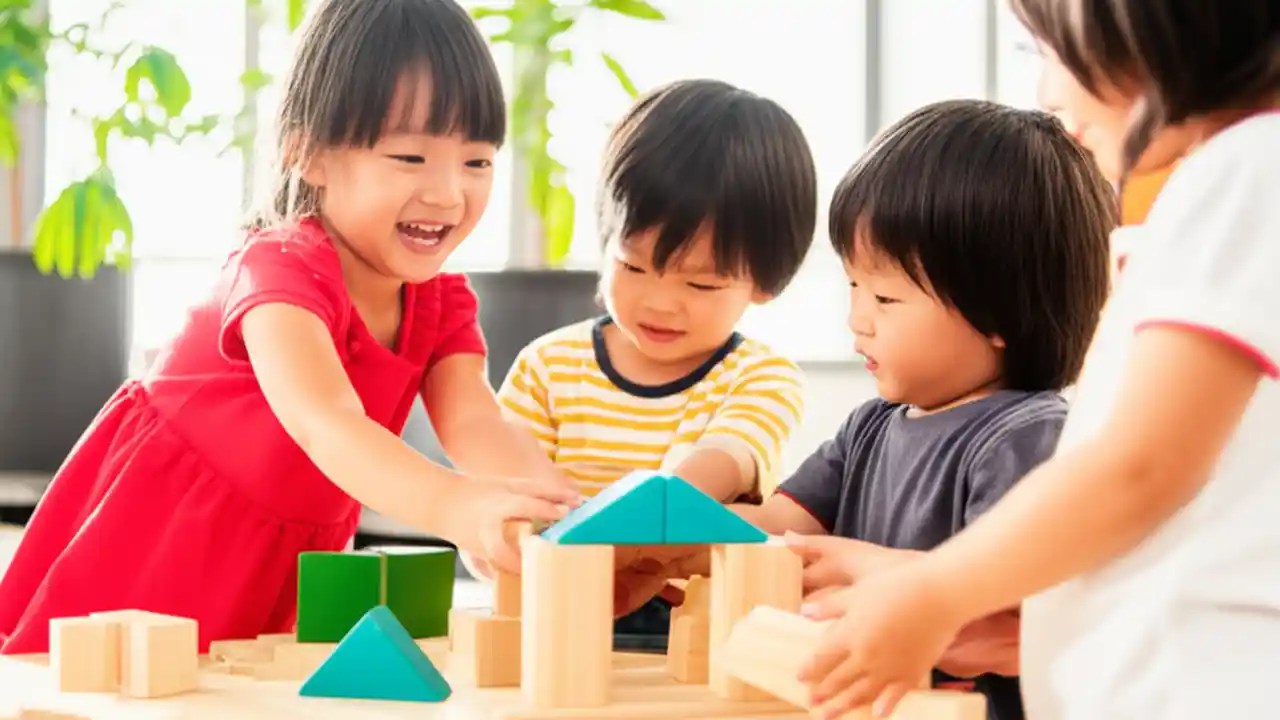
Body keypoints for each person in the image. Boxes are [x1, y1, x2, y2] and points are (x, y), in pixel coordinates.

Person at [0, 0, 580, 655]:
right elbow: (324, 420)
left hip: (281, 558)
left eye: (477, 162)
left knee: (256, 689)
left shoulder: (439, 299)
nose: (449, 193)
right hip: (163, 540)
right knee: (123, 685)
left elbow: (477, 422)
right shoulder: (279, 268)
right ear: (309, 153)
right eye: (410, 158)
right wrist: (456, 509)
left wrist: (561, 513)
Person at [797, 4, 1280, 719]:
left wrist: (934, 594)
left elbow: (1142, 466)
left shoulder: (1246, 166)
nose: (1048, 91)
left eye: (1052, 49)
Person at [619, 99, 1114, 718]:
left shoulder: (1026, 437)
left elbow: (1019, 603)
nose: (857, 318)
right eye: (853, 285)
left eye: (885, 295)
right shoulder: (870, 427)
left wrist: (860, 566)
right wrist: (669, 547)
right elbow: (776, 527)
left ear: (998, 314)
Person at [495, 79, 817, 648]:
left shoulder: (761, 377)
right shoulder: (547, 366)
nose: (661, 302)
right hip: (559, 608)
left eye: (701, 282)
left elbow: (712, 467)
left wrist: (616, 540)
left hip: (695, 625)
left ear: (765, 281)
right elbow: (506, 493)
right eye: (634, 266)